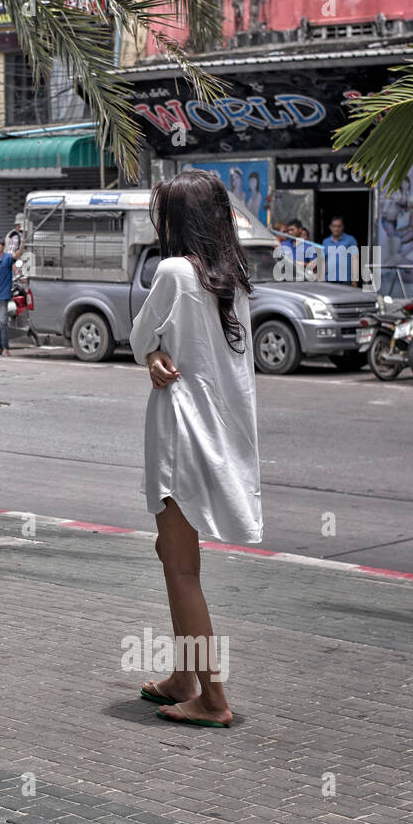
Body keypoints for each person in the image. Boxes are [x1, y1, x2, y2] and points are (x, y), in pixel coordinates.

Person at [129, 170, 262, 729]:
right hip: (222, 434)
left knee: (182, 568)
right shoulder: (230, 278)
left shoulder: (174, 271)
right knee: (172, 556)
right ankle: (185, 676)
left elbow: (137, 337)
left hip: (182, 437)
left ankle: (212, 696)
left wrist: (152, 352)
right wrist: (159, 354)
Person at [321, 216, 359, 286]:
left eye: (339, 226)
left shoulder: (350, 240)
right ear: (330, 227)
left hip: (345, 281)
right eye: (334, 226)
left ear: (343, 227)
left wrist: (354, 281)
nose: (336, 229)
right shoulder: (325, 242)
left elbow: (355, 261)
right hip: (328, 280)